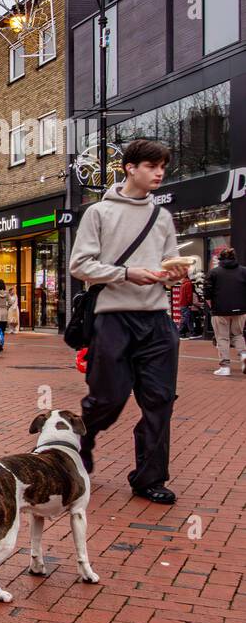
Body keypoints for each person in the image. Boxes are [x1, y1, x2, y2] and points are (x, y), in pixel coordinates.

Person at [69, 138, 188, 504]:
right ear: (130, 169)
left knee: (160, 400)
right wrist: (126, 273)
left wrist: (175, 273)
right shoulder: (99, 214)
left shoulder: (162, 216)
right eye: (152, 166)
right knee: (109, 398)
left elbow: (168, 261)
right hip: (113, 320)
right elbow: (80, 265)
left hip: (156, 320)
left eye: (162, 167)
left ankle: (149, 478)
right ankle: (83, 440)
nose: (159, 173)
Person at [204, 247, 246, 376]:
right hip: (241, 309)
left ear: (220, 259)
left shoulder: (214, 272)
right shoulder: (244, 271)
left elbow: (207, 293)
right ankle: (244, 355)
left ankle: (225, 367)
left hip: (220, 310)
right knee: (238, 334)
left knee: (222, 337)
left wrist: (212, 307)